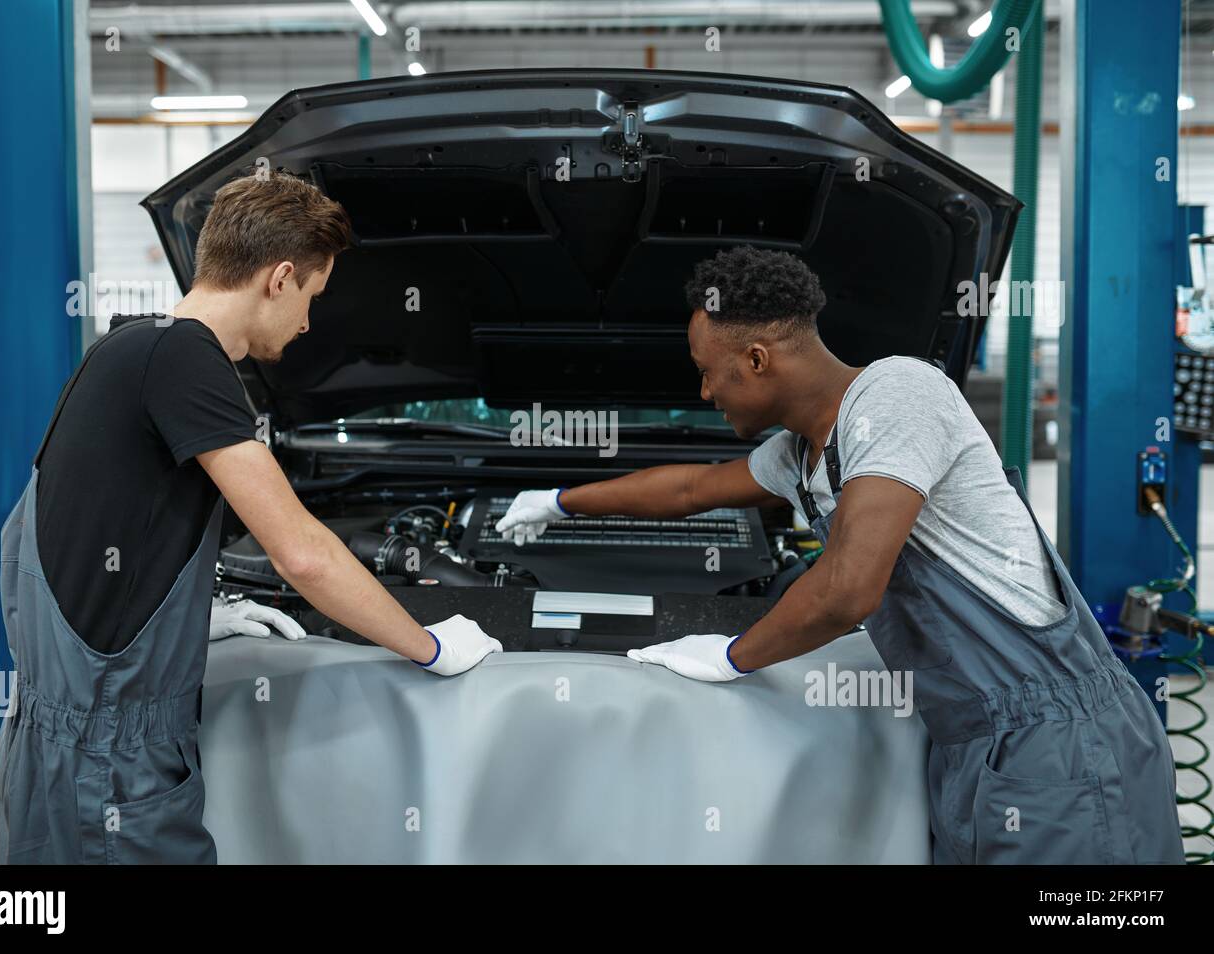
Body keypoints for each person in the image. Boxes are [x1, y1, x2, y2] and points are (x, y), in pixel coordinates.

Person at [495, 245, 1185, 865]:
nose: (705, 392)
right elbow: (691, 487)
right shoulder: (801, 453)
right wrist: (559, 500)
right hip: (970, 746)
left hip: (1058, 744)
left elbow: (848, 589)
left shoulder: (896, 395)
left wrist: (733, 655)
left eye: (710, 373)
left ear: (758, 359)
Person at [0, 173, 501, 865]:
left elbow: (48, 542)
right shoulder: (186, 357)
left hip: (61, 744)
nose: (308, 325)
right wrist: (430, 647)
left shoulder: (128, 347)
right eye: (312, 299)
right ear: (280, 277)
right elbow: (302, 554)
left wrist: (178, 624)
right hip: (108, 764)